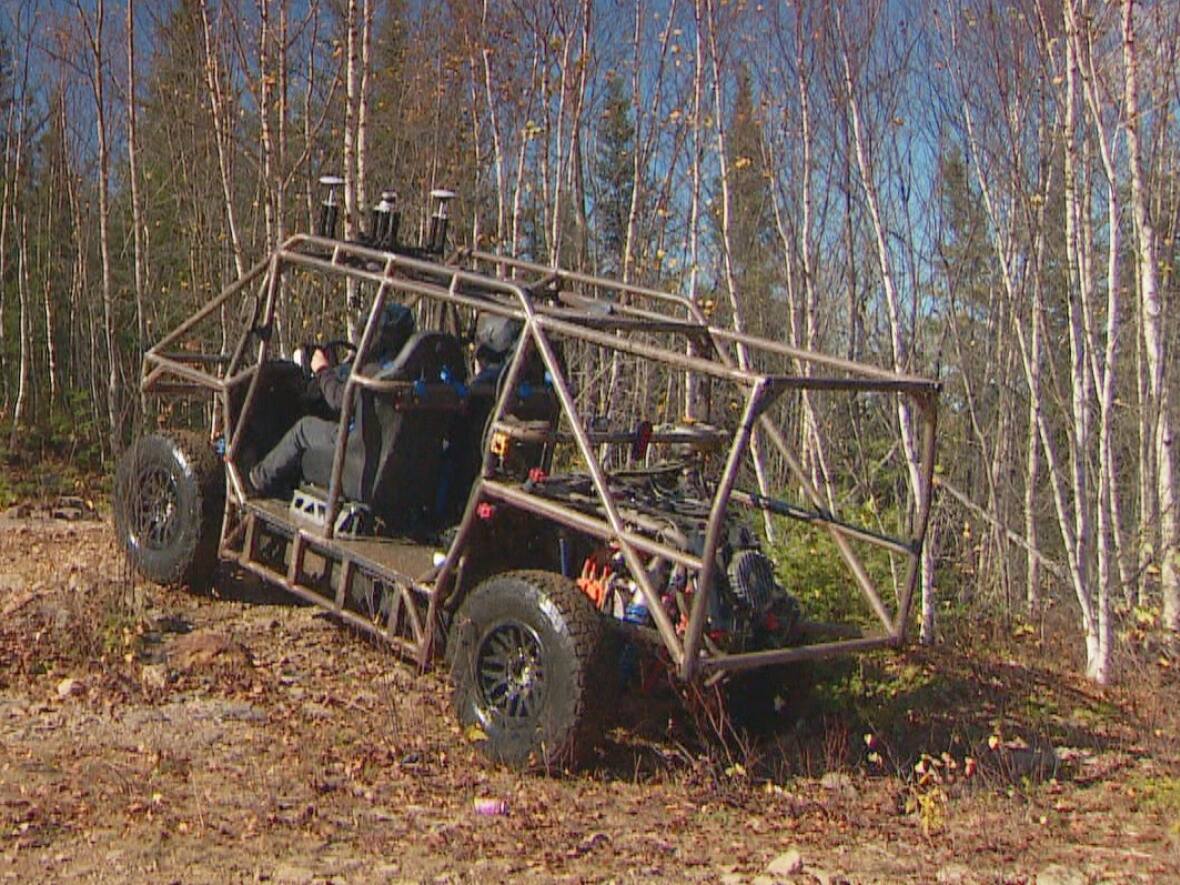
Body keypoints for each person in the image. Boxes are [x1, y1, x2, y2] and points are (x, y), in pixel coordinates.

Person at [248, 303, 415, 496]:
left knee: (302, 429)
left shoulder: (375, 375)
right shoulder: (408, 370)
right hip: (390, 458)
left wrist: (322, 370)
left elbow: (338, 400)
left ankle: (256, 480)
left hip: (360, 452)